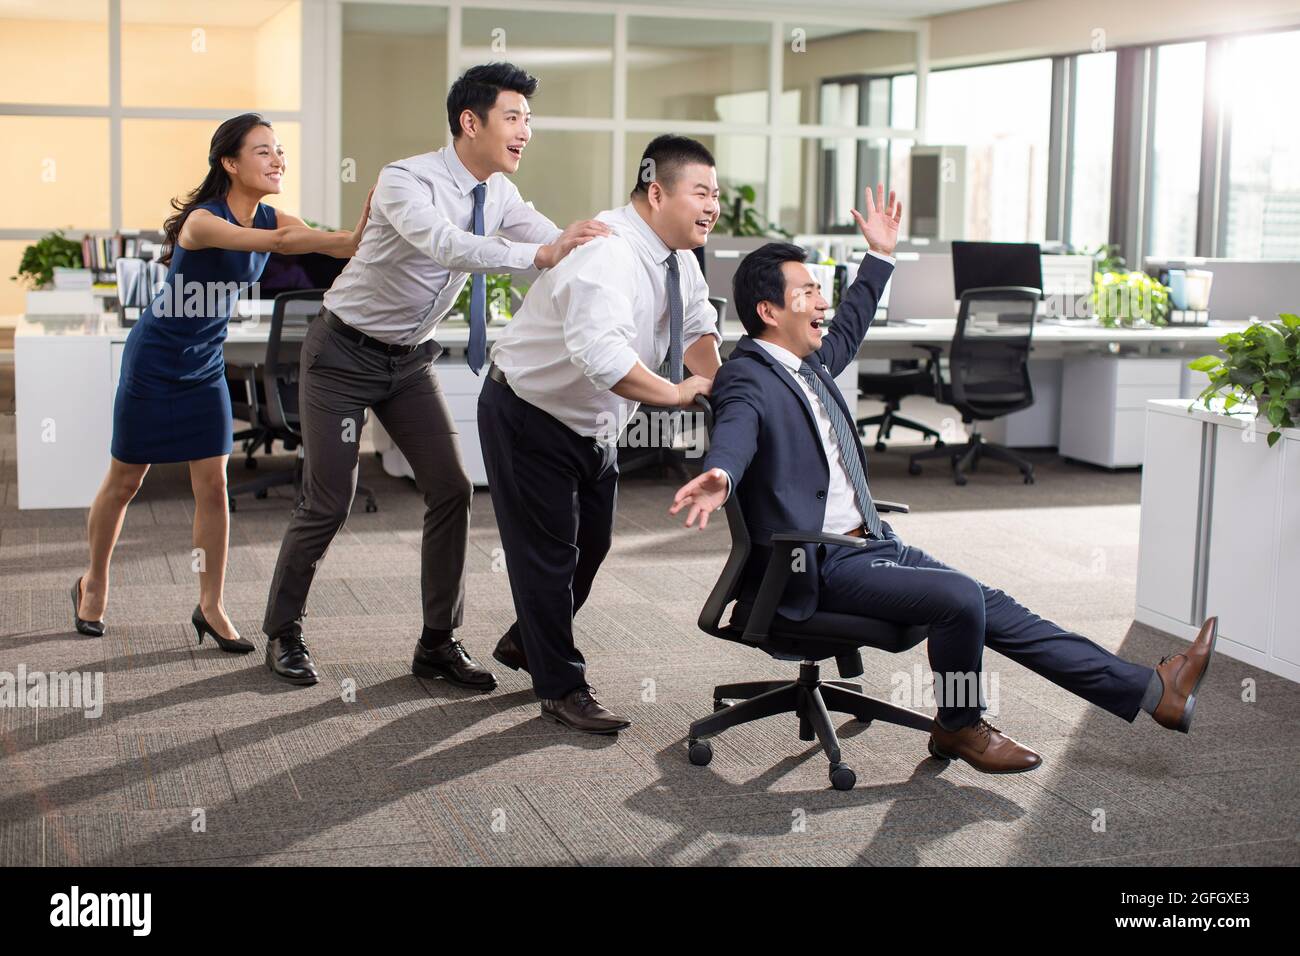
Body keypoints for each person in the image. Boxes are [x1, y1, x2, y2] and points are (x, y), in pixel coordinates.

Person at [669, 185, 1219, 773]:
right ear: (768, 312)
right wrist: (721, 474)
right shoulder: (748, 377)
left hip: (869, 544)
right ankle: (959, 726)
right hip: (813, 564)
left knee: (993, 604)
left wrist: (880, 254)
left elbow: (851, 323)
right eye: (807, 292)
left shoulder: (808, 362)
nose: (822, 302)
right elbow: (737, 432)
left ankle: (1152, 691)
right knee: (959, 601)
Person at [260, 62, 610, 687]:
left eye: (529, 119)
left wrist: (615, 250)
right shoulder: (405, 180)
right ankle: (283, 630)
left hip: (408, 362)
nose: (525, 130)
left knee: (451, 488)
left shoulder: (498, 193)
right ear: (469, 122)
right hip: (341, 355)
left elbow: (553, 242)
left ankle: (437, 643)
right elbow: (446, 245)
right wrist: (540, 253)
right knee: (330, 499)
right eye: (513, 117)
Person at [73, 113, 370, 654]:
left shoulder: (274, 215)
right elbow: (282, 243)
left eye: (279, 150)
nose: (277, 159)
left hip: (205, 364)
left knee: (213, 486)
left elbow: (318, 245)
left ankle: (210, 605)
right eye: (263, 151)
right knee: (126, 482)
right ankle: (94, 583)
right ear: (229, 163)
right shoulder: (202, 222)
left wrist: (360, 238)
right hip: (155, 361)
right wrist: (340, 236)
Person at [479, 134, 722, 734]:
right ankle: (562, 686)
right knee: (549, 555)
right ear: (657, 191)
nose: (713, 205)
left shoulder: (678, 259)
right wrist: (678, 395)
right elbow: (602, 356)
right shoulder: (607, 252)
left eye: (717, 193)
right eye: (702, 192)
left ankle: (525, 641)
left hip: (593, 424)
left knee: (592, 547)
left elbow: (697, 330)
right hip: (530, 412)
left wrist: (724, 391)